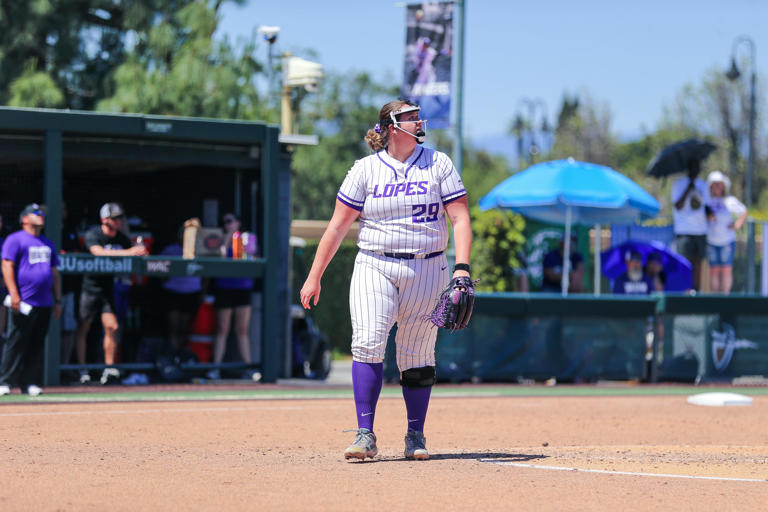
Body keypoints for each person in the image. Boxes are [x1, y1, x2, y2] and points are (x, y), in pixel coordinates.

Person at [300, 99, 472, 461]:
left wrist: (462, 269)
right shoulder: (365, 170)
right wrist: (314, 276)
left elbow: (459, 219)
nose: (418, 121)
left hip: (428, 266)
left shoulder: (439, 163)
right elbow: (337, 226)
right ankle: (365, 434)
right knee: (367, 342)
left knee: (418, 353)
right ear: (392, 126)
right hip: (374, 264)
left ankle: (415, 434)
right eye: (410, 117)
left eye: (418, 116)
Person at [74, 203, 148, 385]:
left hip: (108, 288)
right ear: (105, 220)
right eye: (115, 218)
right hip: (90, 287)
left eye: (120, 218)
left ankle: (109, 369)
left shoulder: (121, 237)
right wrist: (129, 252)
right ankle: (81, 369)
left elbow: (136, 251)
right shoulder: (94, 234)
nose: (119, 221)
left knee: (112, 327)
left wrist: (139, 252)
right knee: (84, 327)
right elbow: (97, 252)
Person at [0, 204, 62, 396]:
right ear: (25, 219)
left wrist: (58, 300)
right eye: (36, 213)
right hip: (24, 301)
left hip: (44, 302)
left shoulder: (47, 242)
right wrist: (14, 293)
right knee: (15, 341)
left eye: (41, 213)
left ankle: (29, 382)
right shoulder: (15, 239)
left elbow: (55, 273)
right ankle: (5, 382)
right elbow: (7, 266)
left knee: (36, 344)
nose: (41, 216)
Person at [207, 212, 256, 380]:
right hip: (224, 287)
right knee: (222, 329)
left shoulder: (248, 238)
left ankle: (248, 368)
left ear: (238, 222)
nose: (227, 224)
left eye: (230, 221)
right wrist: (228, 237)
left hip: (243, 288)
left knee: (242, 330)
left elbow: (252, 255)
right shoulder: (219, 238)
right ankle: (216, 368)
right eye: (224, 222)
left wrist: (238, 239)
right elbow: (219, 253)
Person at [160, 225, 203, 354]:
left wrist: (203, 292)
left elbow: (206, 275)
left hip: (191, 293)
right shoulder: (169, 250)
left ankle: (181, 355)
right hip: (173, 293)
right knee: (174, 327)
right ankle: (173, 355)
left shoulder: (199, 251)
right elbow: (160, 271)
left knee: (185, 328)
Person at [705, 170, 747, 294]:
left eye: (720, 183)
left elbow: (743, 211)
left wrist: (736, 224)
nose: (717, 186)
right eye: (714, 184)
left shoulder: (730, 200)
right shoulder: (706, 201)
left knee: (726, 269)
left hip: (727, 241)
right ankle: (715, 300)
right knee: (714, 270)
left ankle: (726, 298)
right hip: (711, 241)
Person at [671, 159, 710, 291]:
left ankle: (696, 293)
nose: (696, 170)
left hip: (700, 230)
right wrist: (689, 188)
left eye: (698, 167)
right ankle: (684, 291)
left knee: (698, 263)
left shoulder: (703, 185)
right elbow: (678, 205)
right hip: (684, 230)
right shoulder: (679, 184)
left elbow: (706, 207)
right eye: (693, 167)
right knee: (684, 263)